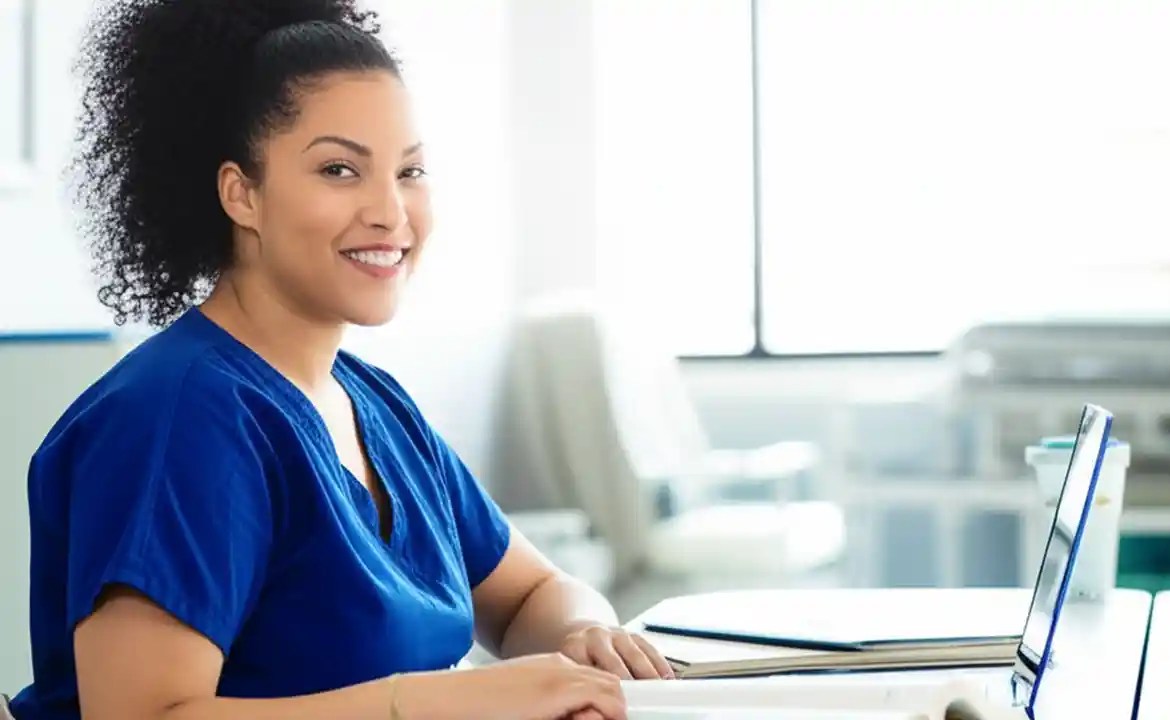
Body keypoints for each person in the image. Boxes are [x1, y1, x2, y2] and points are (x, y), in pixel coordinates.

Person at [5, 1, 673, 718]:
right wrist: (434, 703)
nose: (391, 211)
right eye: (339, 169)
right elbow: (145, 715)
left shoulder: (375, 406)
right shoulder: (179, 419)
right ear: (242, 193)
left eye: (410, 171)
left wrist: (585, 635)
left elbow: (531, 595)